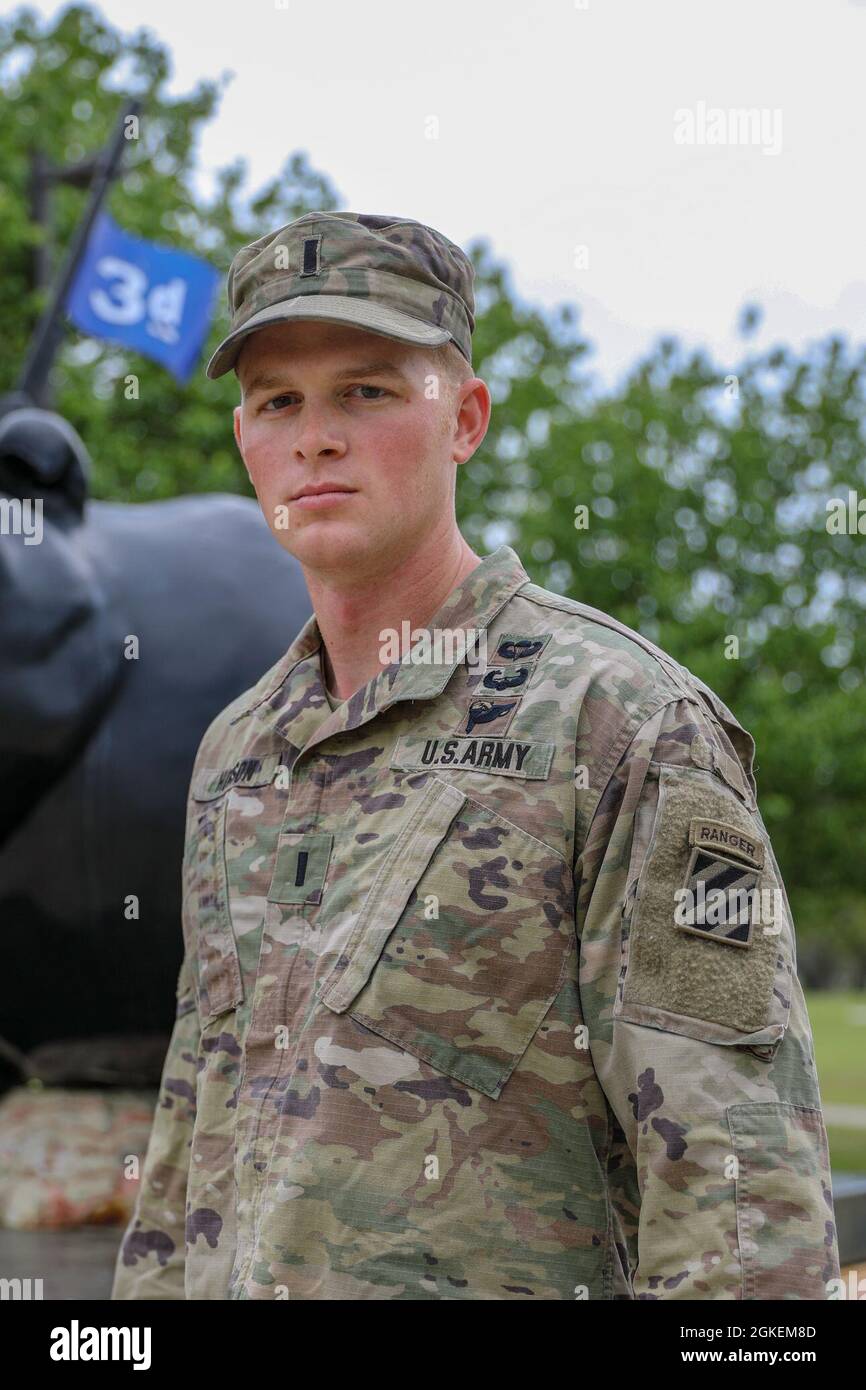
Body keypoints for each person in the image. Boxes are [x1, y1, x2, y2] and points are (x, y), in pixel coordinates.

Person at [112, 211, 840, 1301]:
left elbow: (742, 1198)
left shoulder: (623, 720)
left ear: (464, 418)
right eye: (278, 402)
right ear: (244, 439)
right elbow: (191, 1129)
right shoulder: (239, 752)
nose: (314, 437)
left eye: (365, 390)